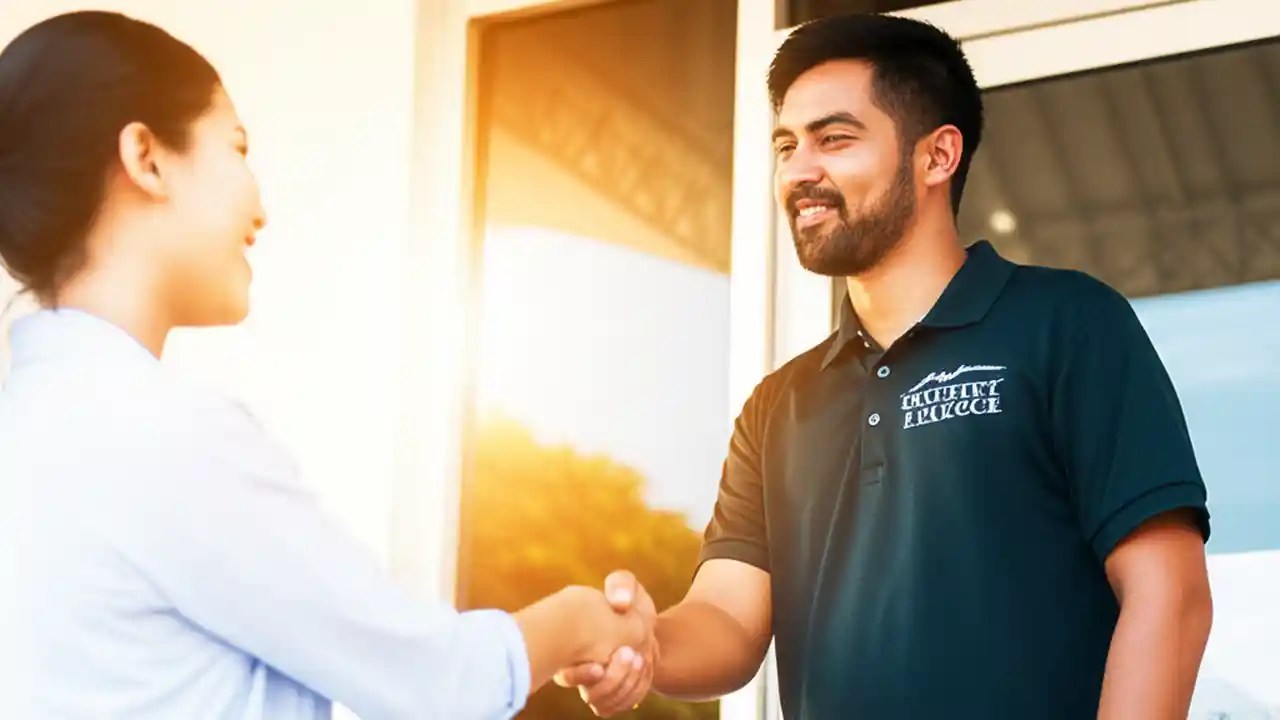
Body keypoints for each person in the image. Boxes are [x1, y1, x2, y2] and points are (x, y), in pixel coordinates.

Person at [557, 13, 1213, 719]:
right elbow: (728, 619)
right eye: (787, 145)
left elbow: (1169, 595)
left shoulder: (1067, 323)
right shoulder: (777, 406)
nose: (799, 170)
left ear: (937, 156)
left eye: (834, 139)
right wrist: (645, 643)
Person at [0, 11, 653, 719]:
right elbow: (440, 682)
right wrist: (584, 619)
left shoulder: (33, 424)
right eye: (238, 148)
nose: (261, 204)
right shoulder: (160, 433)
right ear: (147, 158)